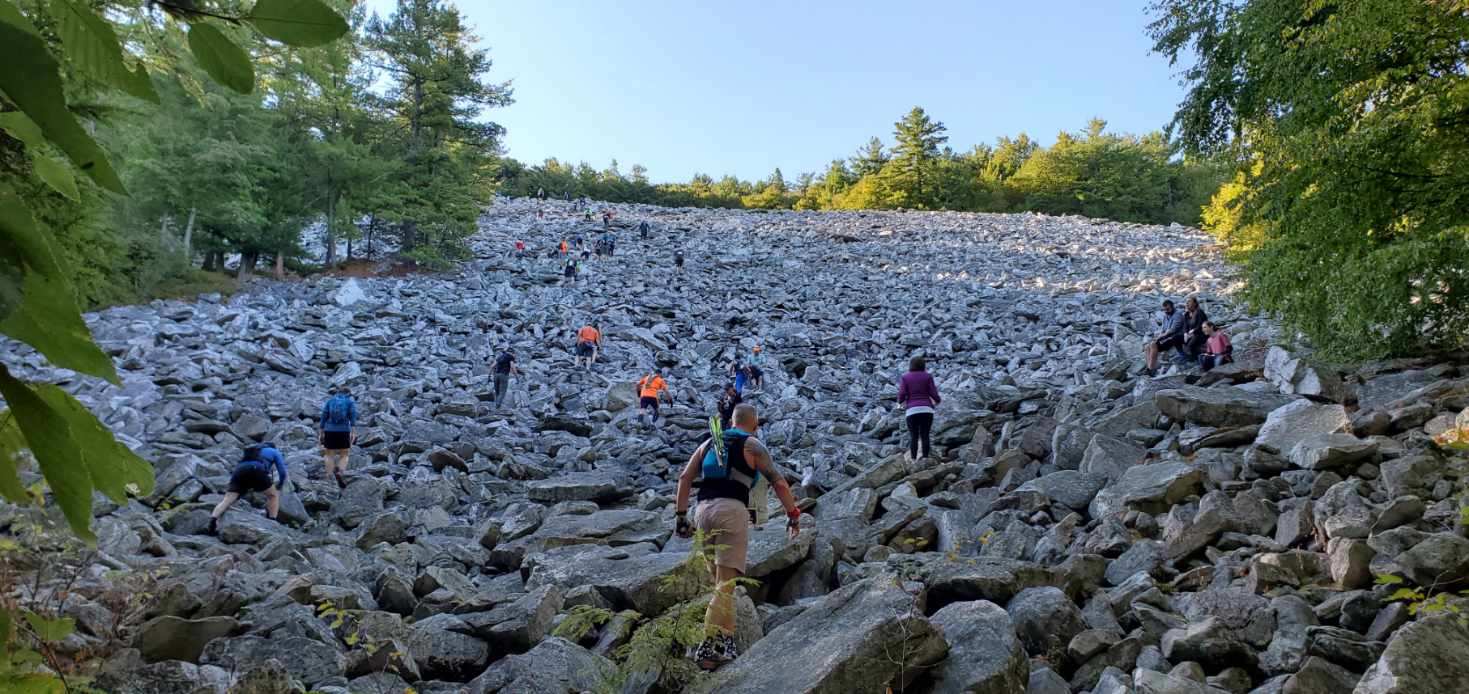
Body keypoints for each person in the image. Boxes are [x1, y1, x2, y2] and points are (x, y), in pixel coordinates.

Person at [674, 404, 803, 670]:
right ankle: (707, 649)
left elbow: (685, 477)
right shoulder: (753, 445)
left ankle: (726, 642)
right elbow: (778, 481)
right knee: (725, 585)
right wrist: (793, 514)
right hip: (731, 512)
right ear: (754, 424)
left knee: (721, 584)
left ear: (732, 421)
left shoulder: (711, 442)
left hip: (703, 512)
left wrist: (680, 516)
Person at [209, 442, 288, 534]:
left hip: (239, 471)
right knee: (273, 495)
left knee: (228, 499)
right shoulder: (273, 451)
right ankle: (272, 522)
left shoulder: (252, 451)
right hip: (256, 469)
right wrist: (281, 484)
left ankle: (213, 521)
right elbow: (282, 471)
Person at [897, 356, 941, 463]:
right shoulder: (928, 376)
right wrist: (937, 400)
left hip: (912, 411)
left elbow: (902, 394)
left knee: (914, 436)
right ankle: (925, 459)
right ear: (923, 365)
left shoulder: (905, 377)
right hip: (927, 409)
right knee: (925, 435)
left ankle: (913, 460)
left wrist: (900, 402)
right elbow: (933, 393)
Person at [319, 388, 357, 488]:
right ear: (348, 394)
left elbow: (324, 416)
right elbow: (353, 416)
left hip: (329, 430)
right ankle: (340, 472)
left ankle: (329, 477)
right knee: (344, 454)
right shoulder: (349, 402)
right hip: (344, 430)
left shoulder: (330, 401)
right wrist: (353, 431)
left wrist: (321, 431)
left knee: (329, 454)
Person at [1142, 299, 1184, 376]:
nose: (1166, 311)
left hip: (1175, 337)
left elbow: (1172, 330)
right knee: (1147, 346)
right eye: (1164, 310)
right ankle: (1149, 367)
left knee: (1153, 345)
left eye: (1168, 309)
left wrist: (1159, 337)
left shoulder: (1178, 315)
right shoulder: (1165, 316)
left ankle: (1151, 369)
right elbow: (1163, 329)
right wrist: (1158, 336)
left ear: (1172, 307)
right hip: (1166, 337)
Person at [1179, 297, 1209, 363]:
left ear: (1195, 303)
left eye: (1189, 301)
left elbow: (1201, 325)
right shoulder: (1186, 314)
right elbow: (1185, 326)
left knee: (1191, 343)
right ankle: (1182, 355)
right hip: (1190, 334)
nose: (1187, 303)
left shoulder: (1199, 312)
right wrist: (1185, 333)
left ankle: (1193, 358)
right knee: (1177, 338)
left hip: (1201, 333)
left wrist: (1193, 331)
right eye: (1187, 302)